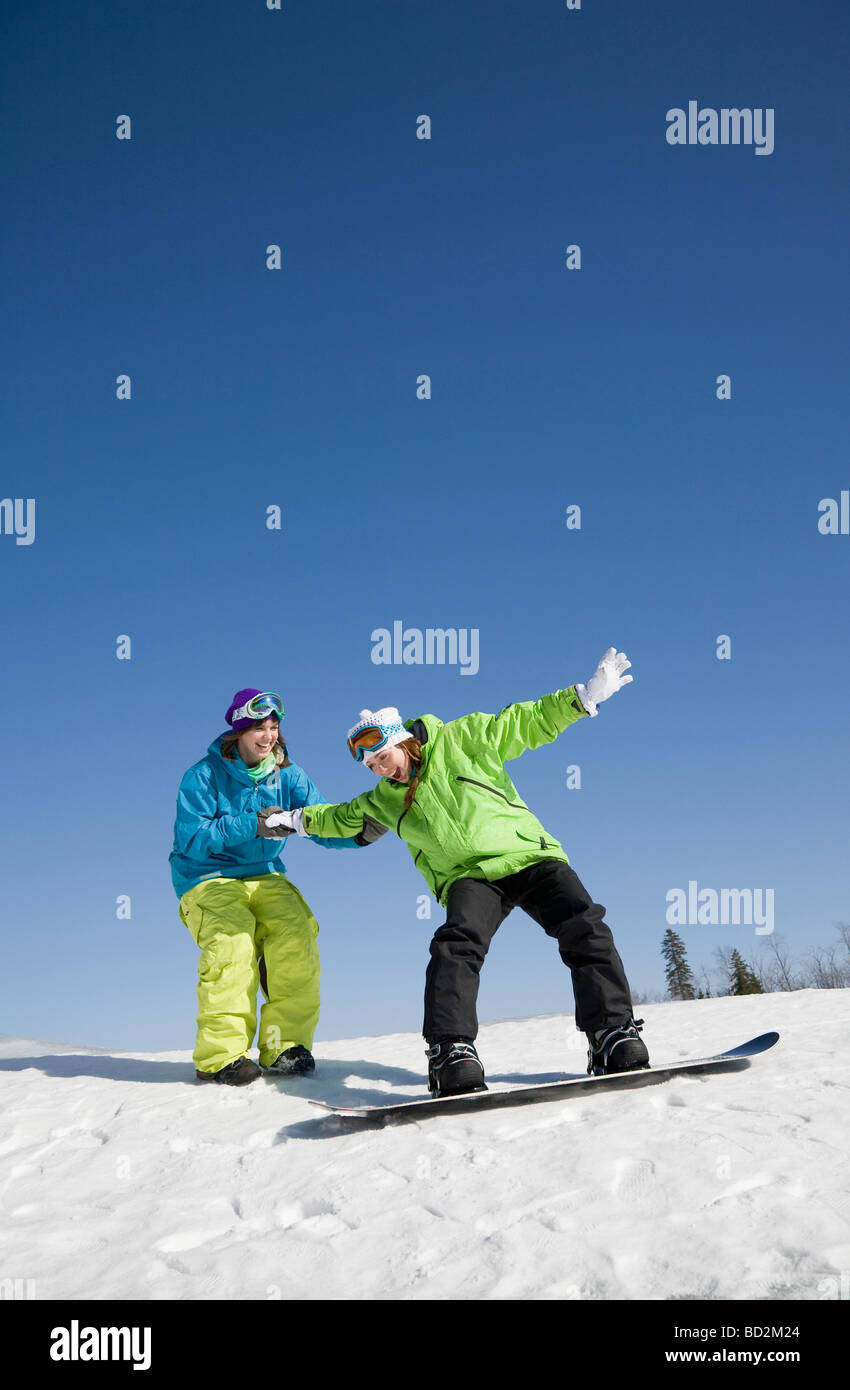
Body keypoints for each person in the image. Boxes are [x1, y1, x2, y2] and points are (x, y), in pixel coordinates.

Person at [264, 649, 650, 1097]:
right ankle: (451, 1052)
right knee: (456, 946)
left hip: (528, 856)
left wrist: (582, 699)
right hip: (470, 877)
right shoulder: (384, 799)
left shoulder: (461, 739)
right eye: (369, 765)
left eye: (381, 755)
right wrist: (293, 822)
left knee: (584, 925)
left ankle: (612, 1034)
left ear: (400, 738)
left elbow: (520, 723)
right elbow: (340, 817)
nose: (378, 767)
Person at [169, 688, 387, 1086]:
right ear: (238, 732)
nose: (268, 736)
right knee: (233, 942)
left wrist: (358, 833)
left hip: (265, 872)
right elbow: (192, 838)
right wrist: (252, 823)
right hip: (207, 877)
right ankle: (221, 1057)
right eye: (258, 728)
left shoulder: (289, 775)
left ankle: (285, 1046)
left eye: (273, 727)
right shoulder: (203, 776)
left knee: (296, 932)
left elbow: (317, 820)